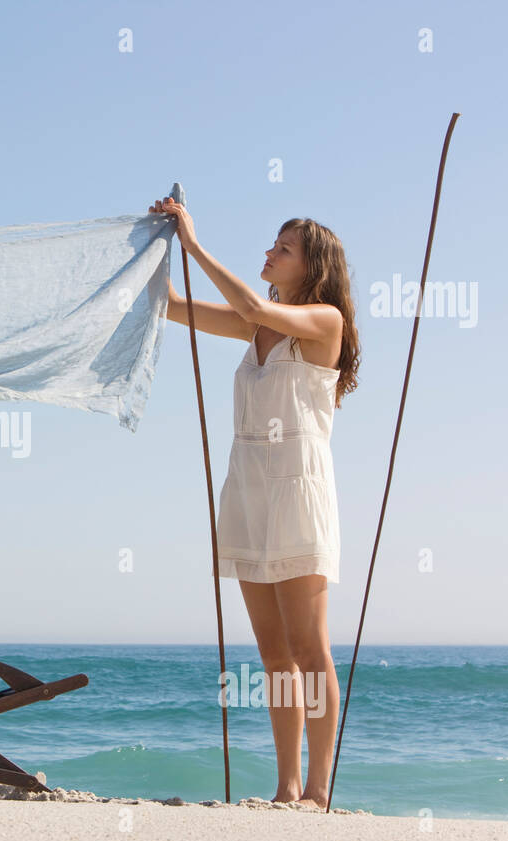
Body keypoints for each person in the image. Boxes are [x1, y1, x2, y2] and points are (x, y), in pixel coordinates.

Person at [149, 196, 360, 809]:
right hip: (247, 488)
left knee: (308, 649)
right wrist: (151, 248)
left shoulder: (324, 322)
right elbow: (173, 307)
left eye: (283, 248)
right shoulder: (255, 328)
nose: (269, 252)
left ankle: (318, 788)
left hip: (298, 488)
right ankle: (286, 786)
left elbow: (249, 303)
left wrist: (194, 244)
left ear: (312, 267)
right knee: (272, 655)